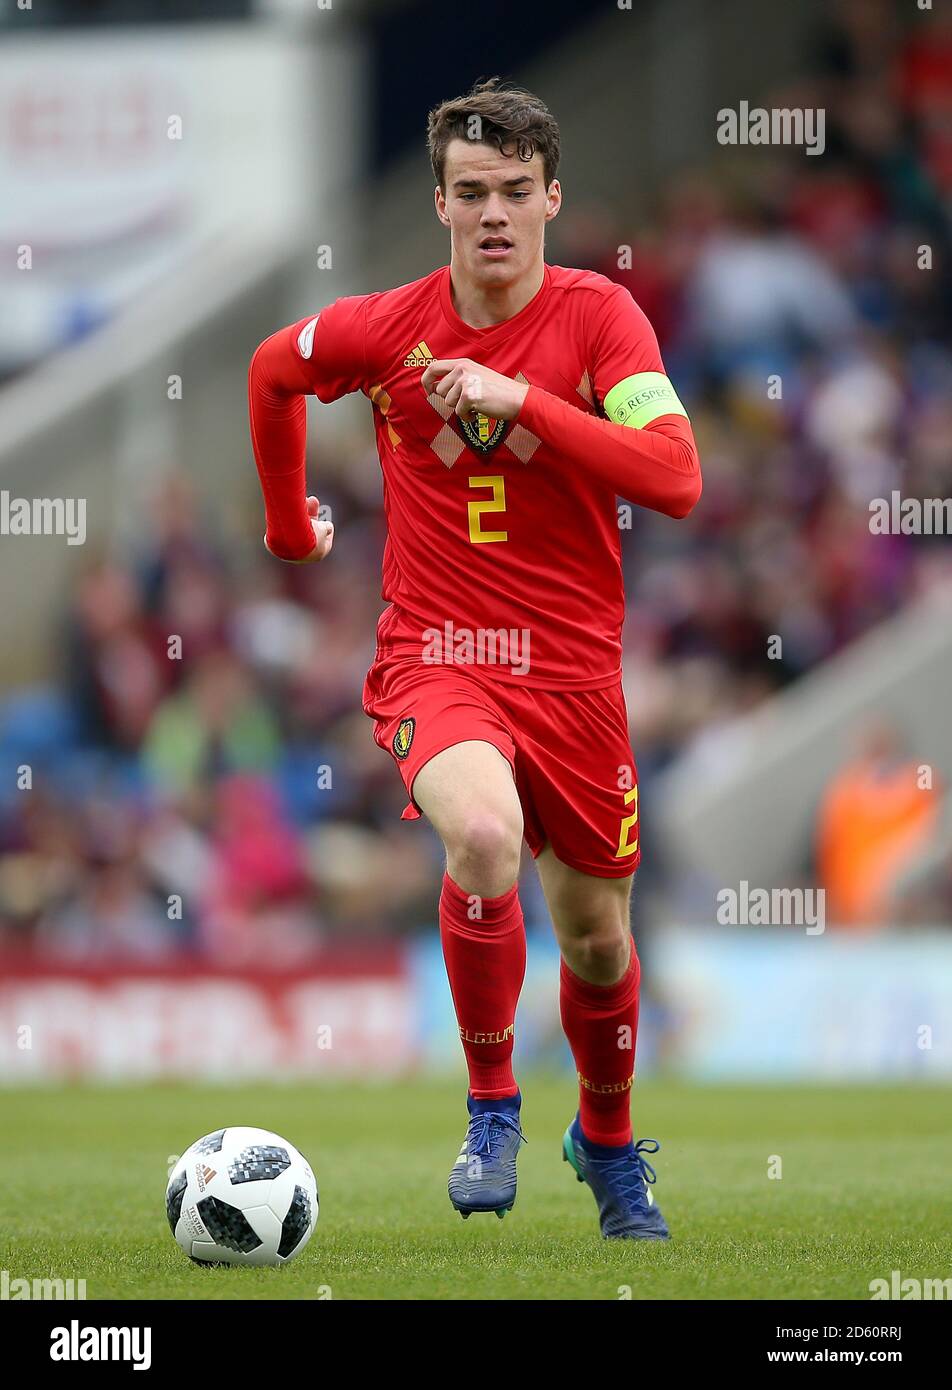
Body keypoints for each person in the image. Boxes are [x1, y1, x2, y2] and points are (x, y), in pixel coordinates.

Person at [248, 78, 701, 1240]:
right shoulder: (390, 330)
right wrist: (289, 523)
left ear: (551, 197)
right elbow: (271, 369)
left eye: (512, 191)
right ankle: (491, 1105)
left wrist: (527, 402)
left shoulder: (601, 321)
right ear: (440, 204)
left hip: (575, 673)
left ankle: (604, 1141)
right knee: (485, 837)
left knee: (599, 937)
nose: (491, 213)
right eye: (468, 193)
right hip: (438, 655)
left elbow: (675, 477)